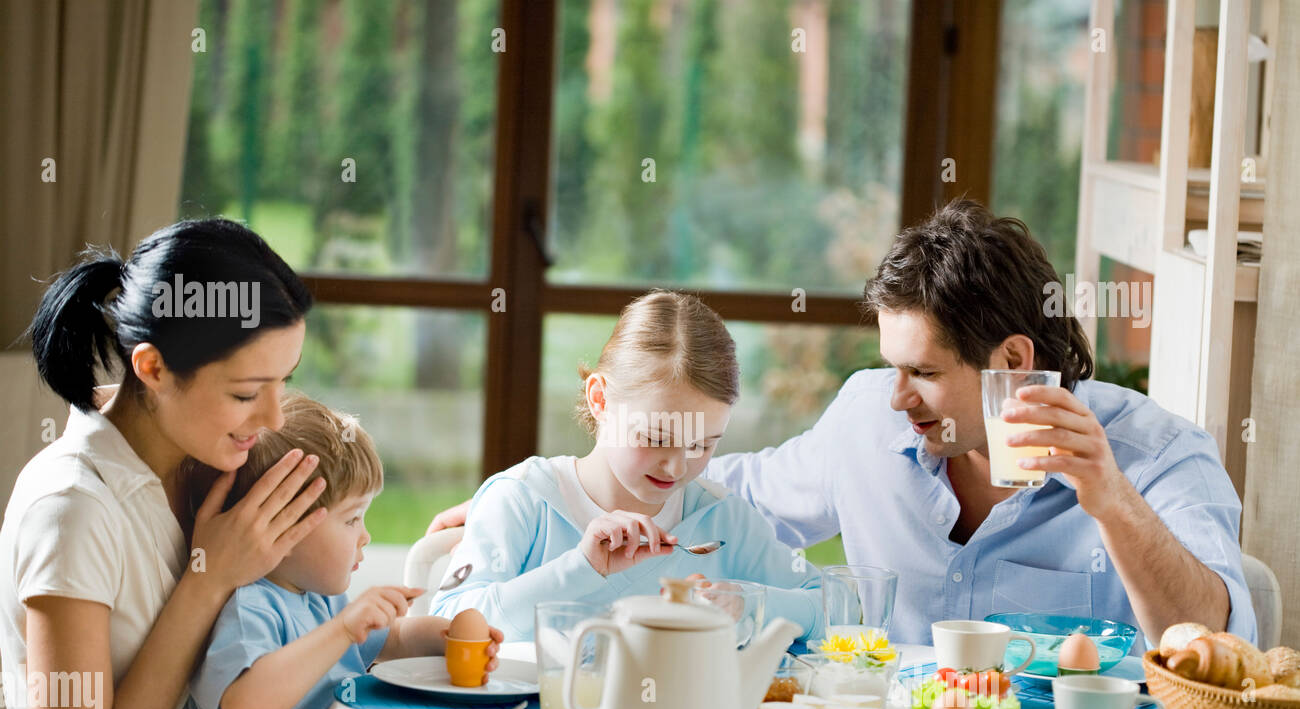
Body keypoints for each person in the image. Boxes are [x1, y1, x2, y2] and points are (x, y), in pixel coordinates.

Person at [428, 201, 1256, 648]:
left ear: (1010, 361)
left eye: (924, 374)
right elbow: (732, 494)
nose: (895, 396)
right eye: (892, 365)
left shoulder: (1157, 457)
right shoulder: (870, 415)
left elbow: (1215, 639)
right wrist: (540, 504)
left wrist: (1111, 502)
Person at [0, 219, 328, 709]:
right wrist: (206, 584)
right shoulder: (72, 510)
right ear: (150, 366)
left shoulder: (199, 459)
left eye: (282, 381)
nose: (272, 418)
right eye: (245, 392)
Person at [179, 394, 504, 709]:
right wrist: (342, 629)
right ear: (281, 529)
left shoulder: (315, 593)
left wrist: (442, 635)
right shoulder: (250, 607)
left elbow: (390, 641)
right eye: (352, 519)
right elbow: (246, 706)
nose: (366, 535)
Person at [432, 290, 822, 643]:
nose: (676, 467)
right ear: (600, 399)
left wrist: (751, 605)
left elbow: (834, 608)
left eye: (703, 445)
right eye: (655, 438)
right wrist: (580, 568)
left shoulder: (723, 522)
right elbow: (449, 625)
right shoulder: (521, 500)